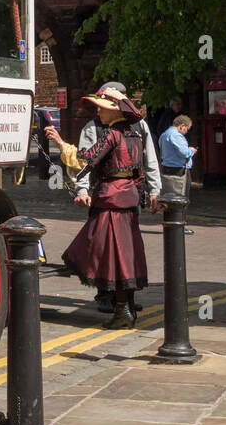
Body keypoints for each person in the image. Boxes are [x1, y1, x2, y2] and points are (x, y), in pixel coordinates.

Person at [46, 91, 150, 329]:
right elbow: (138, 174)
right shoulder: (135, 135)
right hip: (127, 201)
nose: (98, 112)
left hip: (111, 202)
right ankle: (126, 308)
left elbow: (86, 160)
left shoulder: (112, 134)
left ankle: (123, 310)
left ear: (114, 110)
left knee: (107, 255)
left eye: (101, 108)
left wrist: (61, 143)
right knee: (125, 256)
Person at [69, 81, 160, 311]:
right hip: (107, 194)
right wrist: (82, 189)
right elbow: (85, 163)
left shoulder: (138, 126)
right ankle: (107, 295)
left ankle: (124, 299)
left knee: (125, 247)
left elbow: (149, 159)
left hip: (127, 194)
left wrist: (154, 189)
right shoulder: (93, 128)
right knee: (105, 246)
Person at [159, 113, 196, 201]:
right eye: (187, 129)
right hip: (179, 171)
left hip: (166, 169)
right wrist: (192, 150)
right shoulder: (176, 135)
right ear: (182, 126)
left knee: (168, 198)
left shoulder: (164, 134)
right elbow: (184, 153)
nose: (187, 131)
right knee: (181, 199)